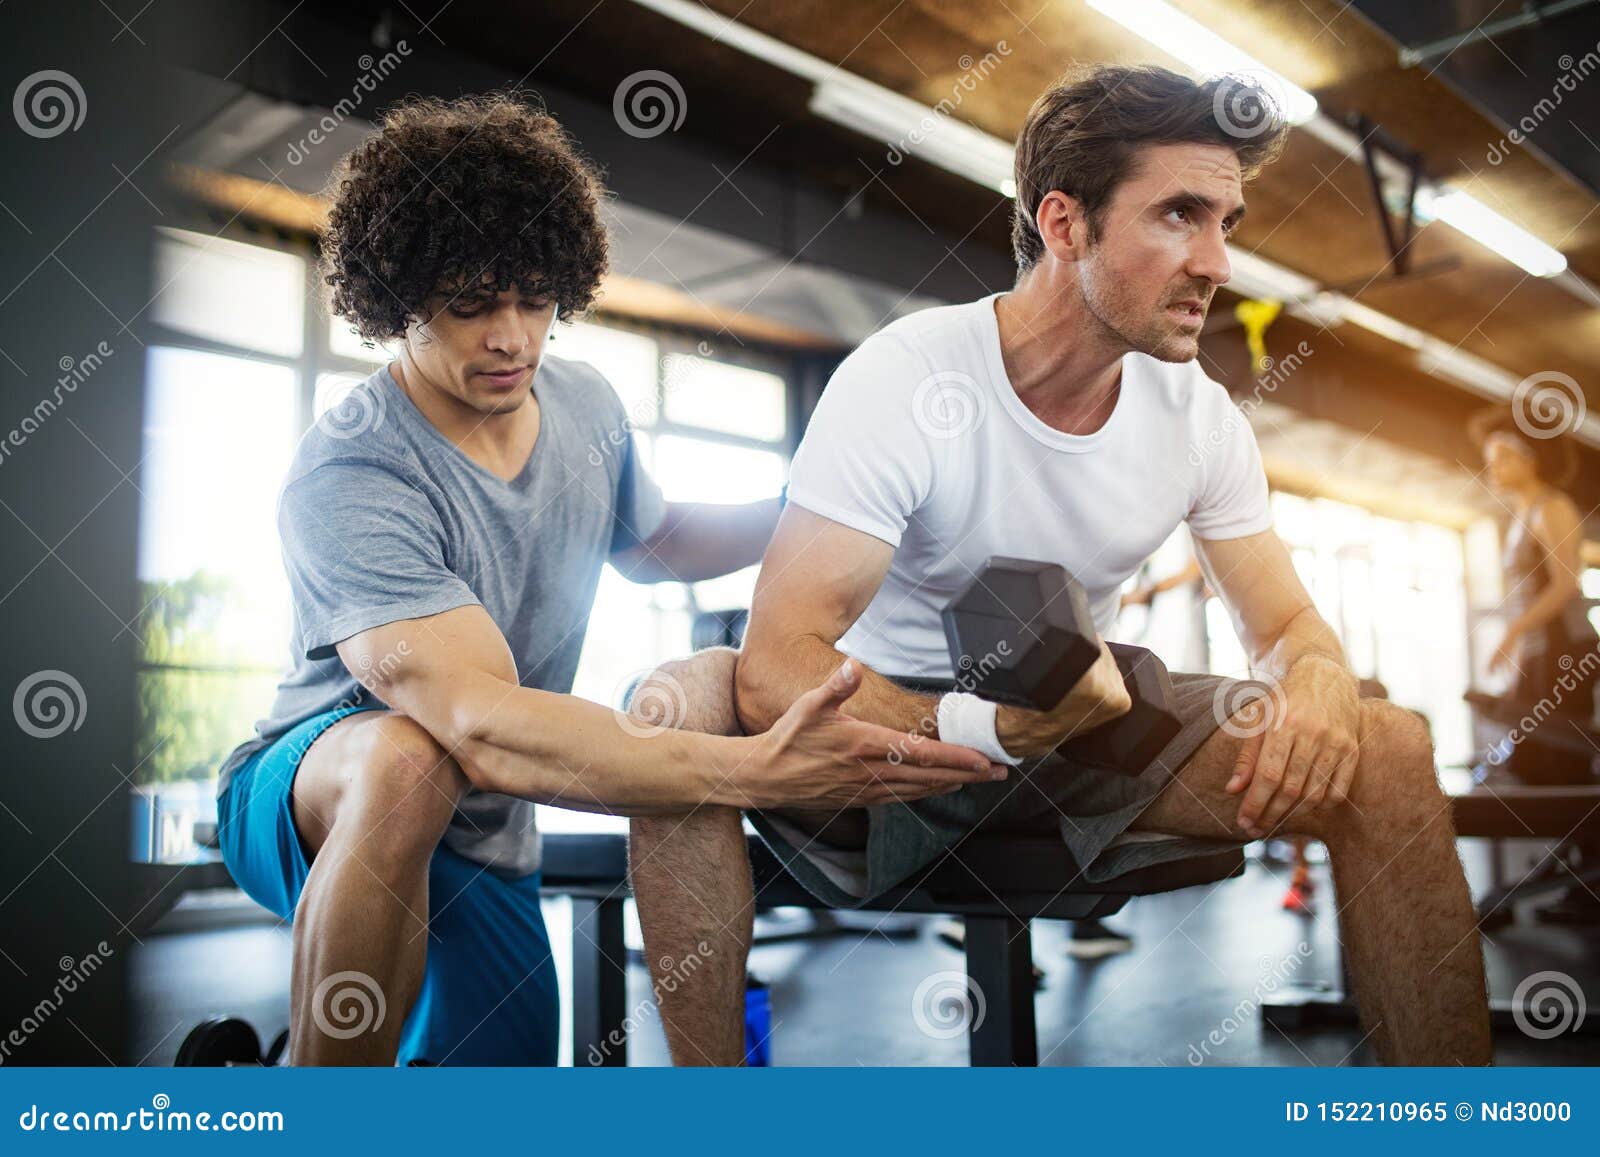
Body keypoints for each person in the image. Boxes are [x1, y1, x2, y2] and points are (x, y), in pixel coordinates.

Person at [626, 64, 1491, 1067]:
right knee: (677, 700)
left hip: (1078, 727)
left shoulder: (1197, 415)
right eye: (1178, 214)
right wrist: (980, 723)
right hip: (877, 749)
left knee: (1384, 747)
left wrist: (1322, 680)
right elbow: (780, 661)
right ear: (1064, 223)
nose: (1215, 260)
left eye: (1227, 222)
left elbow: (1287, 624)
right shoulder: (909, 379)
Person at [214, 93, 996, 1067]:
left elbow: (657, 538)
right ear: (398, 297)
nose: (511, 336)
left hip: (484, 821)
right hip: (313, 786)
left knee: (499, 1085)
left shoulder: (581, 402)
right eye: (470, 304)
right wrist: (752, 771)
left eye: (534, 299)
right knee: (409, 757)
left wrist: (830, 501)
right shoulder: (354, 467)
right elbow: (477, 719)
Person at [1469, 406, 1600, 922]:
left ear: (1531, 457)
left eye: (1502, 456)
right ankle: (1579, 877)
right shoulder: (1517, 518)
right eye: (1489, 458)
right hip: (1543, 654)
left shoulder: (1553, 507)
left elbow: (1567, 585)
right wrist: (1520, 648)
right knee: (1542, 765)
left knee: (1566, 766)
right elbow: (1527, 599)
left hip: (1569, 651)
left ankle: (1587, 887)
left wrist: (1515, 633)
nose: (1493, 467)